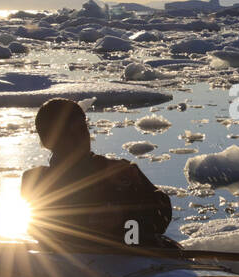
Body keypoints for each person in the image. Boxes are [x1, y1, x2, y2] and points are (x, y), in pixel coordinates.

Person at [21, 98, 173, 251]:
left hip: (131, 262)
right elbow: (41, 231)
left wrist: (125, 219)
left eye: (82, 129)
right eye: (69, 133)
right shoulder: (35, 181)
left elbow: (160, 219)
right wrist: (90, 221)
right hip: (70, 266)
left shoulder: (120, 172)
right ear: (48, 141)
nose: (81, 138)